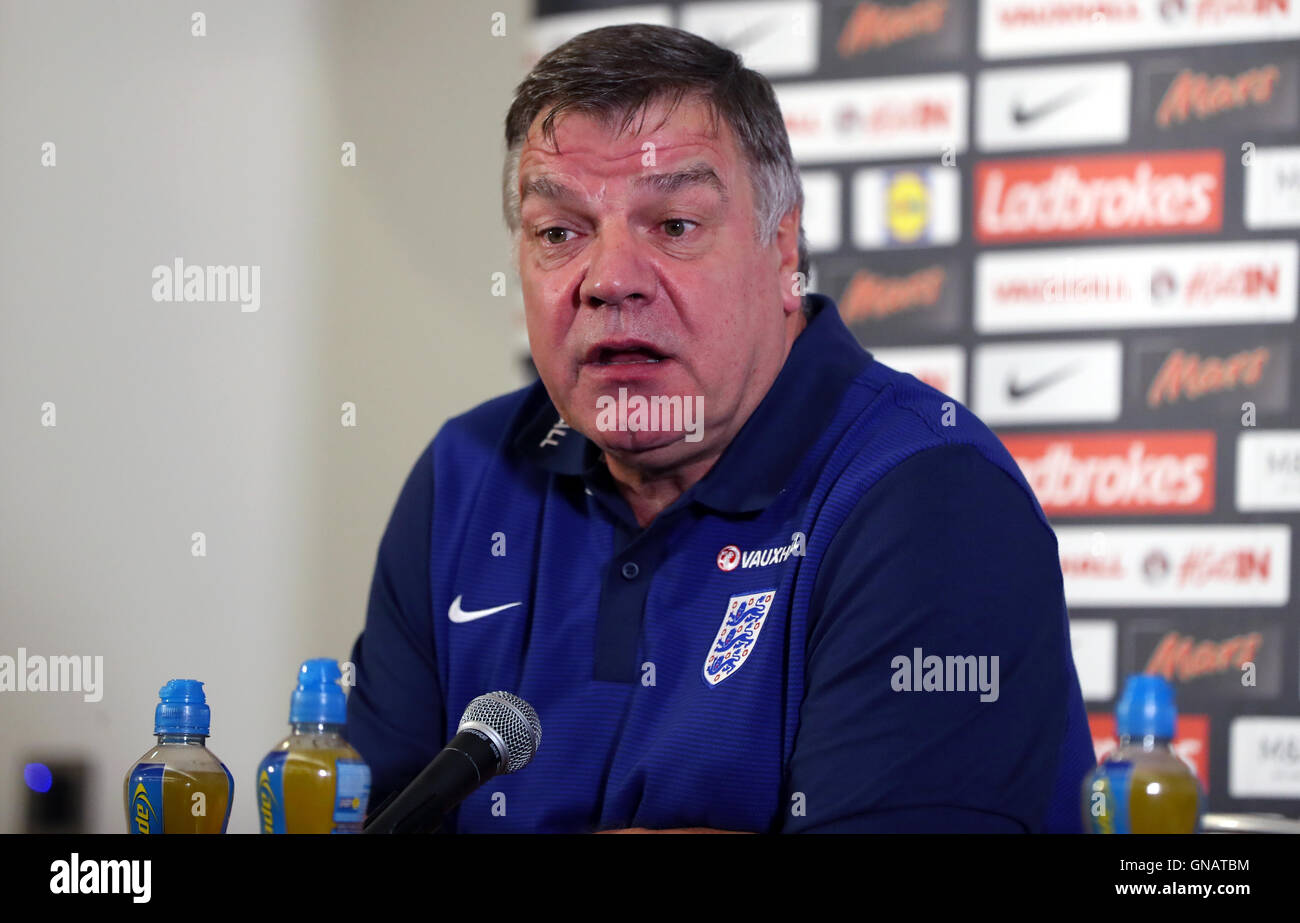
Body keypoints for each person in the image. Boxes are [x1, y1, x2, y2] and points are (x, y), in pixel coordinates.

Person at [345, 23, 1095, 833]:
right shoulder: (467, 474)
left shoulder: (930, 495)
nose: (610, 280)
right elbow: (372, 816)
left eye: (673, 225)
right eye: (560, 233)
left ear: (782, 250)